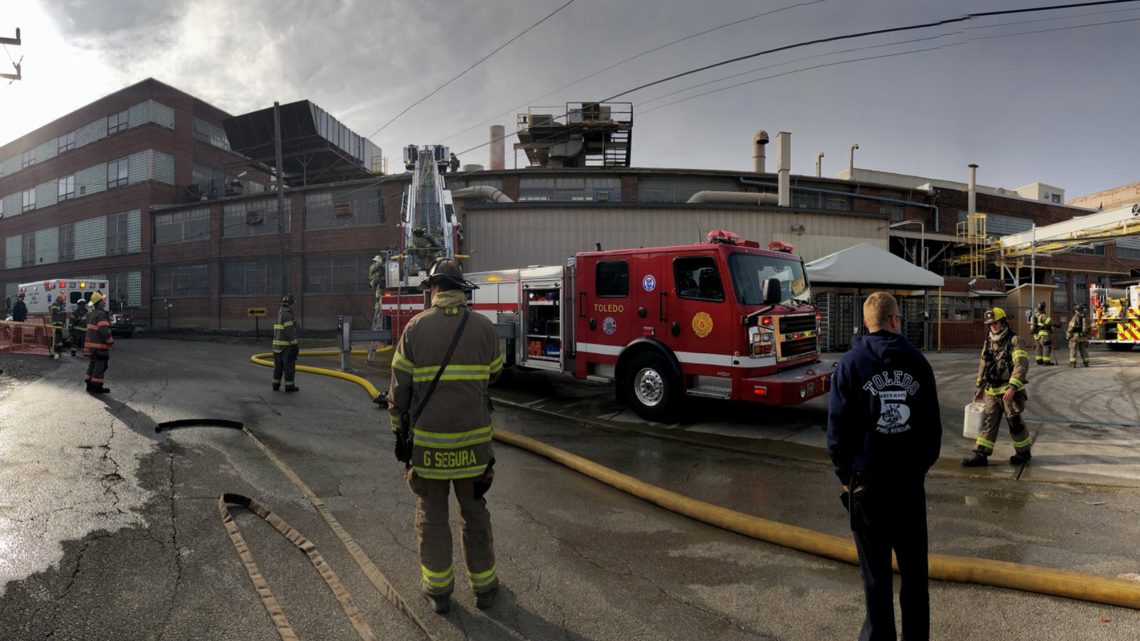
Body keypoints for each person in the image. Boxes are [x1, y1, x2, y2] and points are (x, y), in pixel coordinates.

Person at [388, 258, 502, 615]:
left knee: (432, 513)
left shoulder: (415, 329)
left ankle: (438, 592)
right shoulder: (485, 328)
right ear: (462, 290)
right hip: (475, 447)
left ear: (434, 289)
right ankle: (484, 589)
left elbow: (399, 391)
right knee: (474, 513)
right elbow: (494, 375)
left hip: (429, 448)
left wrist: (398, 431)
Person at [827, 292, 942, 641]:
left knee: (875, 578)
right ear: (895, 320)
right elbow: (931, 429)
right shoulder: (919, 362)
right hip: (907, 486)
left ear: (866, 323)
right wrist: (918, 468)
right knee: (914, 576)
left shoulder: (849, 364)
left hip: (867, 486)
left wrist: (846, 477)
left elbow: (837, 430)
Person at [962, 307, 1032, 467]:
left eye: (995, 322)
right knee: (987, 422)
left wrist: (1013, 387)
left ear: (1003, 322)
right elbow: (983, 367)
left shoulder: (1015, 341)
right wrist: (979, 390)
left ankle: (1023, 453)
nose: (993, 325)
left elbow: (1021, 365)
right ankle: (980, 455)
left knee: (1015, 423)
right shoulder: (988, 343)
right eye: (990, 323)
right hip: (991, 391)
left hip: (1009, 392)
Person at [84, 292, 114, 394]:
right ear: (97, 303)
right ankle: (97, 386)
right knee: (101, 365)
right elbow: (104, 331)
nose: (104, 302)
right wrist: (110, 341)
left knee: (92, 363)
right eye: (102, 301)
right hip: (99, 346)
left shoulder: (89, 314)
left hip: (90, 345)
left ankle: (89, 384)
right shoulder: (101, 314)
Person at [272, 294, 300, 392]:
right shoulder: (287, 315)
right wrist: (295, 345)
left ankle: (275, 385)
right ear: (289, 305)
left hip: (276, 347)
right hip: (286, 348)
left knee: (278, 367)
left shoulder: (278, 315)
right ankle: (289, 386)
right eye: (292, 304)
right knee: (289, 368)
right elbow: (289, 333)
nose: (293, 306)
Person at [1067, 303, 1091, 368]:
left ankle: (1073, 363)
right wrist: (1087, 335)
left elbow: (1071, 327)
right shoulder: (1087, 318)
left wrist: (1068, 335)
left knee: (1073, 349)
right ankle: (1086, 363)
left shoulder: (1075, 317)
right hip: (1083, 337)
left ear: (1077, 310)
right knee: (1083, 350)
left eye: (1075, 310)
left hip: (1075, 337)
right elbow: (1089, 328)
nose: (1075, 311)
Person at [1032, 301, 1055, 366]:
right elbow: (1050, 323)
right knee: (1046, 348)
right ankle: (1046, 361)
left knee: (1038, 348)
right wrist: (1054, 325)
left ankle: (1039, 361)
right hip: (1043, 335)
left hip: (1036, 335)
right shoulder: (1043, 316)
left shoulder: (1035, 316)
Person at [49, 295, 66, 360]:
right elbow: (55, 310)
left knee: (59, 337)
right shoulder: (55, 304)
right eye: (61, 299)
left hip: (59, 324)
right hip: (56, 324)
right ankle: (57, 350)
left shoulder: (59, 305)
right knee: (57, 337)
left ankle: (59, 350)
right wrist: (61, 309)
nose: (62, 301)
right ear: (58, 299)